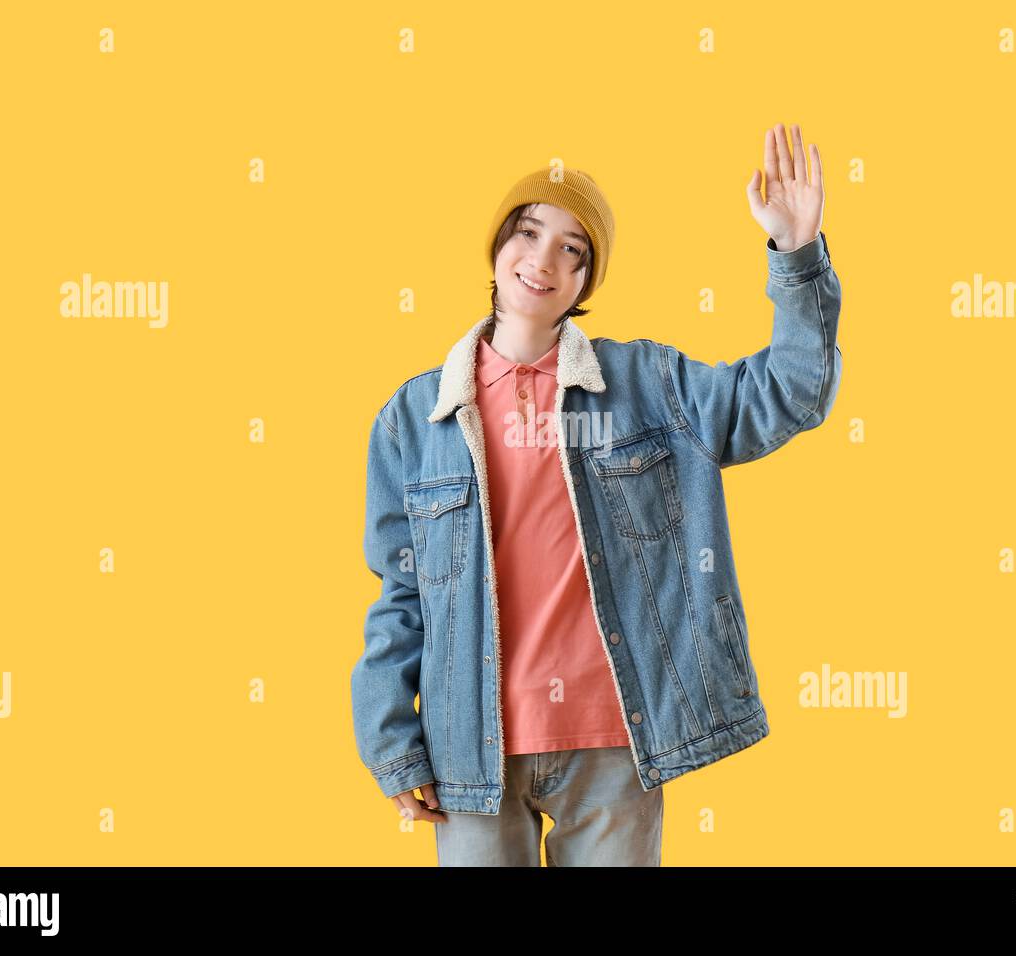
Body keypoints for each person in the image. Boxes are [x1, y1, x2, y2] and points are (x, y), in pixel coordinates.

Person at [352, 123, 843, 865]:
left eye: (573, 249)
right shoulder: (412, 421)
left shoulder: (647, 387)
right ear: (496, 246)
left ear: (587, 281)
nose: (543, 261)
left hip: (616, 740)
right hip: (469, 749)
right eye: (529, 233)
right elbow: (400, 593)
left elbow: (791, 393)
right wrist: (391, 741)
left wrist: (797, 255)